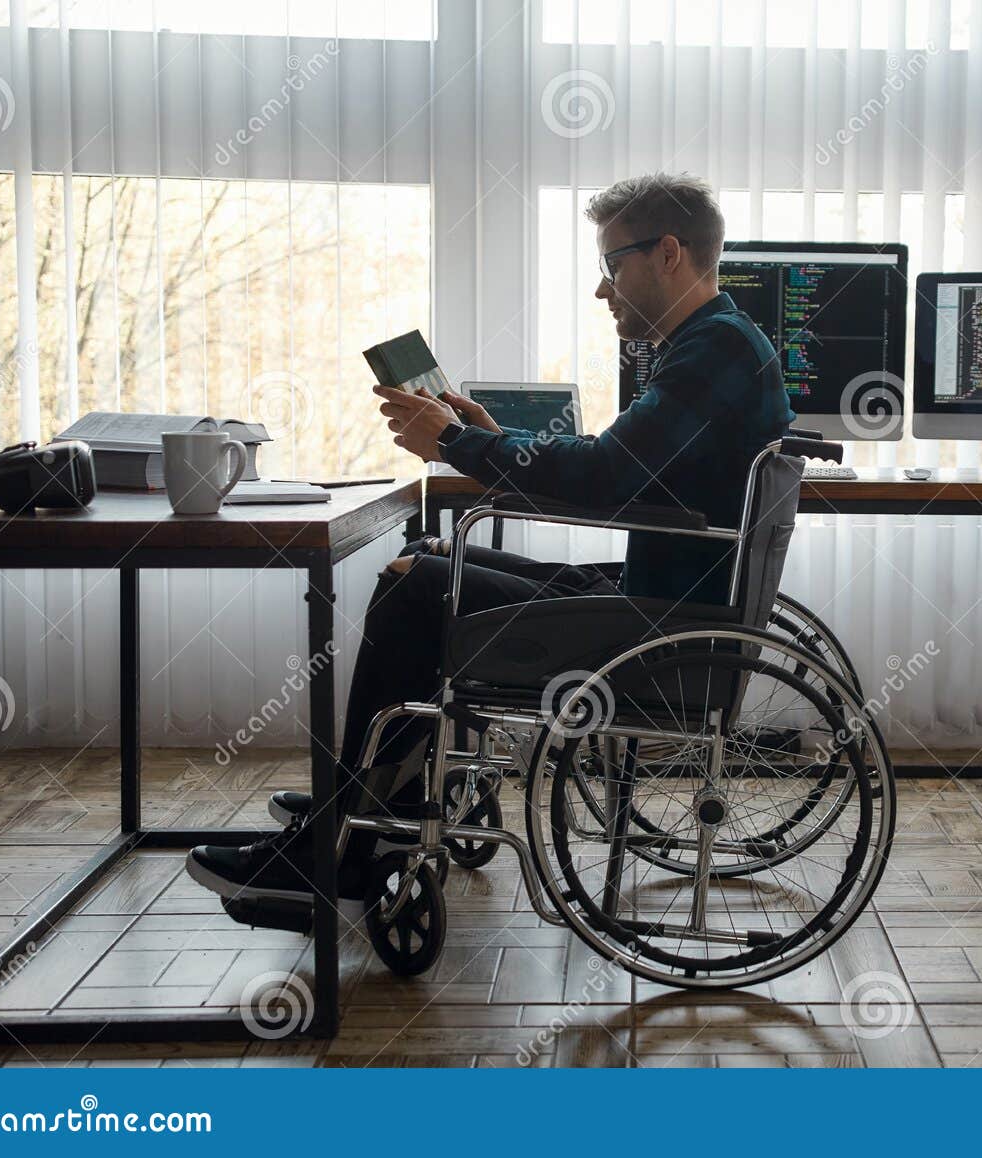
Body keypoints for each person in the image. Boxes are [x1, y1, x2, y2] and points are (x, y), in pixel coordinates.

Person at [186, 172, 794, 913]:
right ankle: (369, 807)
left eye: (612, 266)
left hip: (663, 628)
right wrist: (482, 435)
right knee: (430, 563)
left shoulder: (713, 350)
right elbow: (624, 473)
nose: (603, 290)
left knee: (417, 588)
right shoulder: (717, 343)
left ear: (669, 253)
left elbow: (602, 474)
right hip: (664, 601)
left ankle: (347, 837)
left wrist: (454, 442)